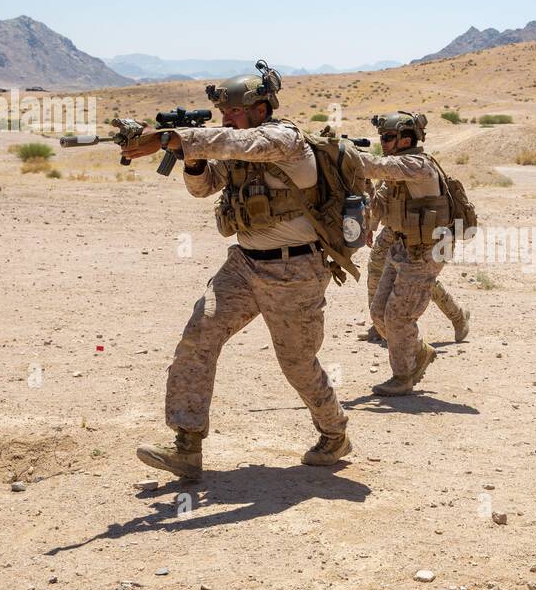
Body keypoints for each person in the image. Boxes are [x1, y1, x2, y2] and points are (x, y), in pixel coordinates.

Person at [128, 69, 352, 479]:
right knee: (200, 335)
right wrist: (190, 158)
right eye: (223, 111)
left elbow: (237, 142)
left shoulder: (285, 139)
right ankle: (186, 446)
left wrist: (176, 138)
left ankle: (335, 431)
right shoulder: (237, 147)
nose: (226, 118)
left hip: (295, 269)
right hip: (244, 264)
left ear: (260, 109)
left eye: (233, 111)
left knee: (297, 363)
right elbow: (203, 188)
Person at [355, 112, 455, 396]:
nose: (383, 143)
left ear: (406, 139)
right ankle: (418, 352)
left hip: (427, 249)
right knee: (379, 313)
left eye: (387, 138)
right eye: (382, 138)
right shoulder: (395, 174)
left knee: (398, 317)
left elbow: (376, 165)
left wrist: (347, 156)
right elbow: (380, 205)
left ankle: (403, 377)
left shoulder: (417, 165)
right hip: (403, 245)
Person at [361, 186, 469, 344]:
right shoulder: (392, 167)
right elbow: (383, 190)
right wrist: (371, 224)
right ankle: (380, 325)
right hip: (394, 225)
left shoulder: (416, 165)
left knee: (418, 279)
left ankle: (458, 315)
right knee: (376, 266)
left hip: (415, 227)